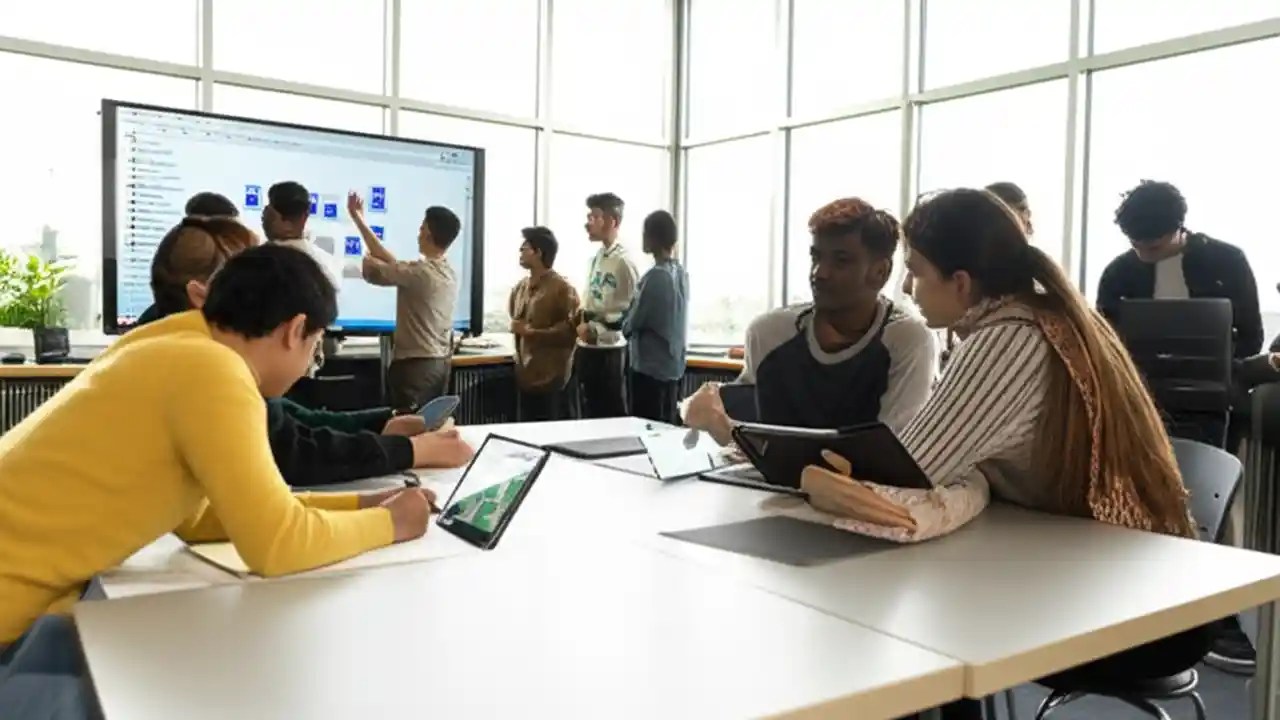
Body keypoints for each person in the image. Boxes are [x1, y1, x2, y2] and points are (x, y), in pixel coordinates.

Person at [781, 188, 1206, 720]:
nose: (908, 288)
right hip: (1138, 581)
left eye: (915, 271)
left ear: (960, 283)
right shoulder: (1045, 317)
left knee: (902, 617)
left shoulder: (1008, 339)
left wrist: (804, 472)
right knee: (929, 603)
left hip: (1139, 615)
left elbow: (913, 473)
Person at [0, 243, 439, 651]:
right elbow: (277, 546)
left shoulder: (170, 341)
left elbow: (198, 518)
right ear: (296, 330)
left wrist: (362, 504)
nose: (309, 365)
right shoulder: (215, 371)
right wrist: (391, 523)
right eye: (314, 349)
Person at [138, 217, 473, 483]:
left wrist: (385, 424)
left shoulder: (176, 343)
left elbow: (292, 424)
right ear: (203, 294)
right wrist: (409, 453)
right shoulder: (203, 369)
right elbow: (294, 458)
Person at [683, 198, 938, 444]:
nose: (820, 273)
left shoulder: (908, 341)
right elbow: (747, 427)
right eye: (816, 257)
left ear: (880, 272)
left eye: (841, 261)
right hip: (766, 485)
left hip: (861, 487)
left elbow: (896, 453)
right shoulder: (768, 334)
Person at [1097, 180, 1262, 360]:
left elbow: (1251, 335)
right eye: (1135, 245)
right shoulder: (1118, 273)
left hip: (1216, 374)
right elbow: (1103, 338)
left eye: (1154, 248)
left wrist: (1230, 370)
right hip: (1138, 376)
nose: (1143, 254)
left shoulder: (1227, 260)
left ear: (1179, 229)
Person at [349, 192, 461, 412]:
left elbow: (374, 269)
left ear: (428, 233)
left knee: (409, 427)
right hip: (437, 364)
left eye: (421, 228)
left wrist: (366, 258)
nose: (418, 233)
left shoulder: (421, 273)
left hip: (414, 367)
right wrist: (359, 219)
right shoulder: (444, 271)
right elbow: (393, 262)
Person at [576, 192, 639, 418]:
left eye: (594, 217)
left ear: (612, 221)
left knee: (611, 415)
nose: (588, 223)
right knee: (588, 413)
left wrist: (599, 330)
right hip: (587, 348)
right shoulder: (597, 258)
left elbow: (632, 310)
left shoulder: (624, 261)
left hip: (610, 351)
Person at [623, 210, 689, 424]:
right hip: (673, 367)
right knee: (667, 428)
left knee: (645, 429)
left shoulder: (655, 277)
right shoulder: (681, 273)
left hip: (650, 370)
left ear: (653, 238)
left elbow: (631, 324)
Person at [509, 226, 580, 422]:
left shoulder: (563, 289)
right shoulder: (519, 288)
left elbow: (570, 331)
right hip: (525, 377)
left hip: (552, 381)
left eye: (525, 248)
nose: (520, 252)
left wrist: (533, 333)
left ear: (538, 252)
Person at [261, 180, 343, 290]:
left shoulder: (258, 263)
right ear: (305, 216)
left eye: (268, 211)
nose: (263, 217)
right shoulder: (326, 264)